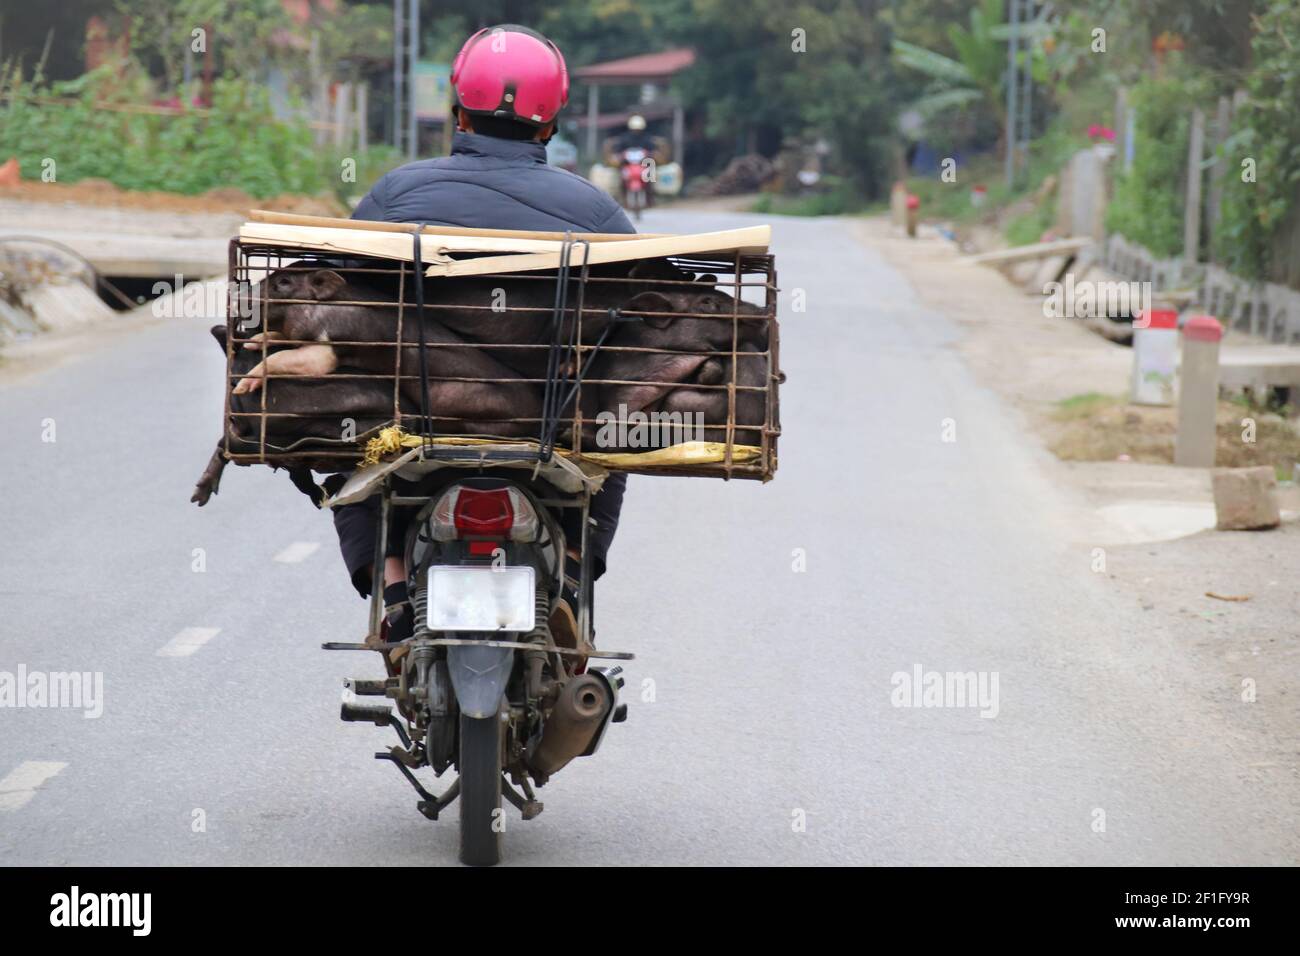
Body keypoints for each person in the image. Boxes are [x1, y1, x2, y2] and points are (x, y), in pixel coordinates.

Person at [330, 24, 632, 643]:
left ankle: (391, 585)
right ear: (550, 123)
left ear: (457, 112)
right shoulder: (599, 214)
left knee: (344, 428)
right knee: (614, 433)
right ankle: (571, 580)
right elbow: (632, 326)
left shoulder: (394, 194)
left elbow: (343, 298)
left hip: (414, 416)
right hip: (552, 426)